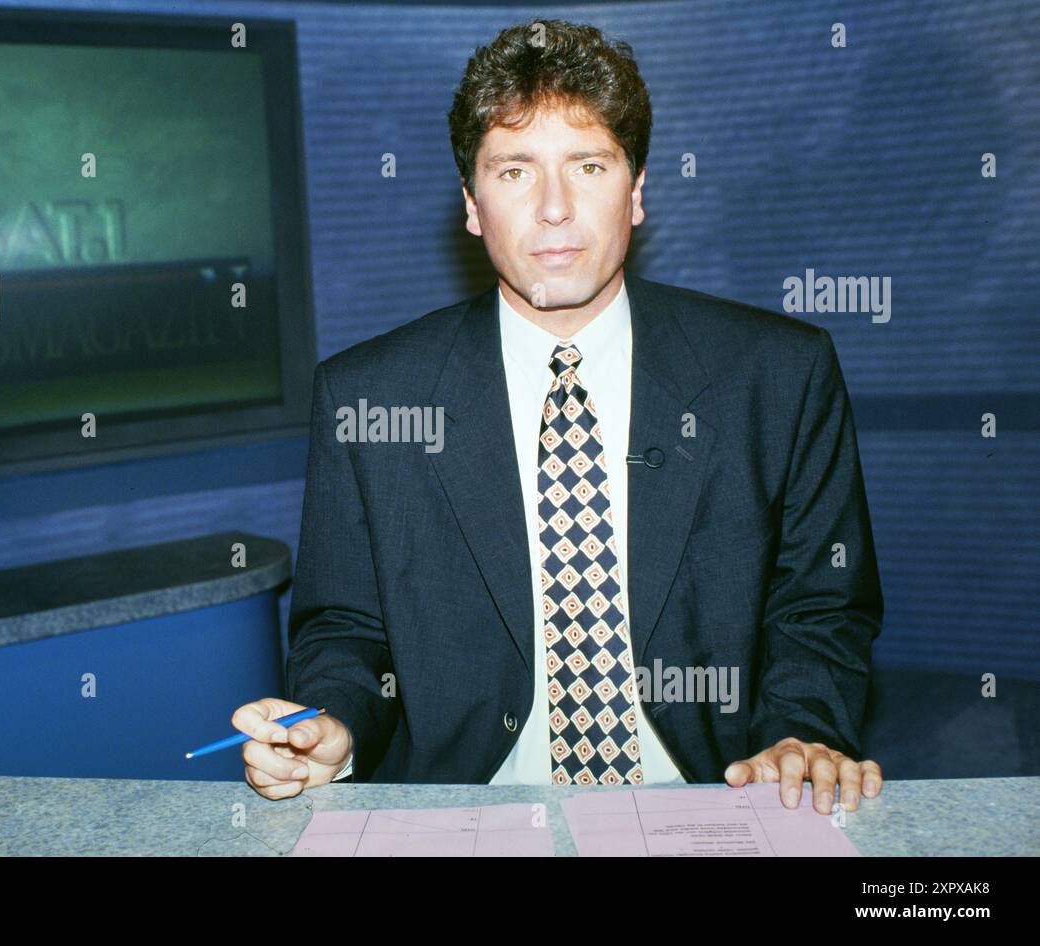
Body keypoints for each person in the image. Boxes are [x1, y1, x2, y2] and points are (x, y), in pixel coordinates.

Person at [234, 18, 884, 814]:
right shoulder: (365, 397)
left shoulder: (780, 373)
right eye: (514, 171)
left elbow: (821, 605)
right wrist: (332, 730)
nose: (553, 208)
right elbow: (343, 630)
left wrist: (802, 732)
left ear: (637, 190)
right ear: (471, 205)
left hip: (719, 806)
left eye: (588, 164)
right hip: (468, 817)